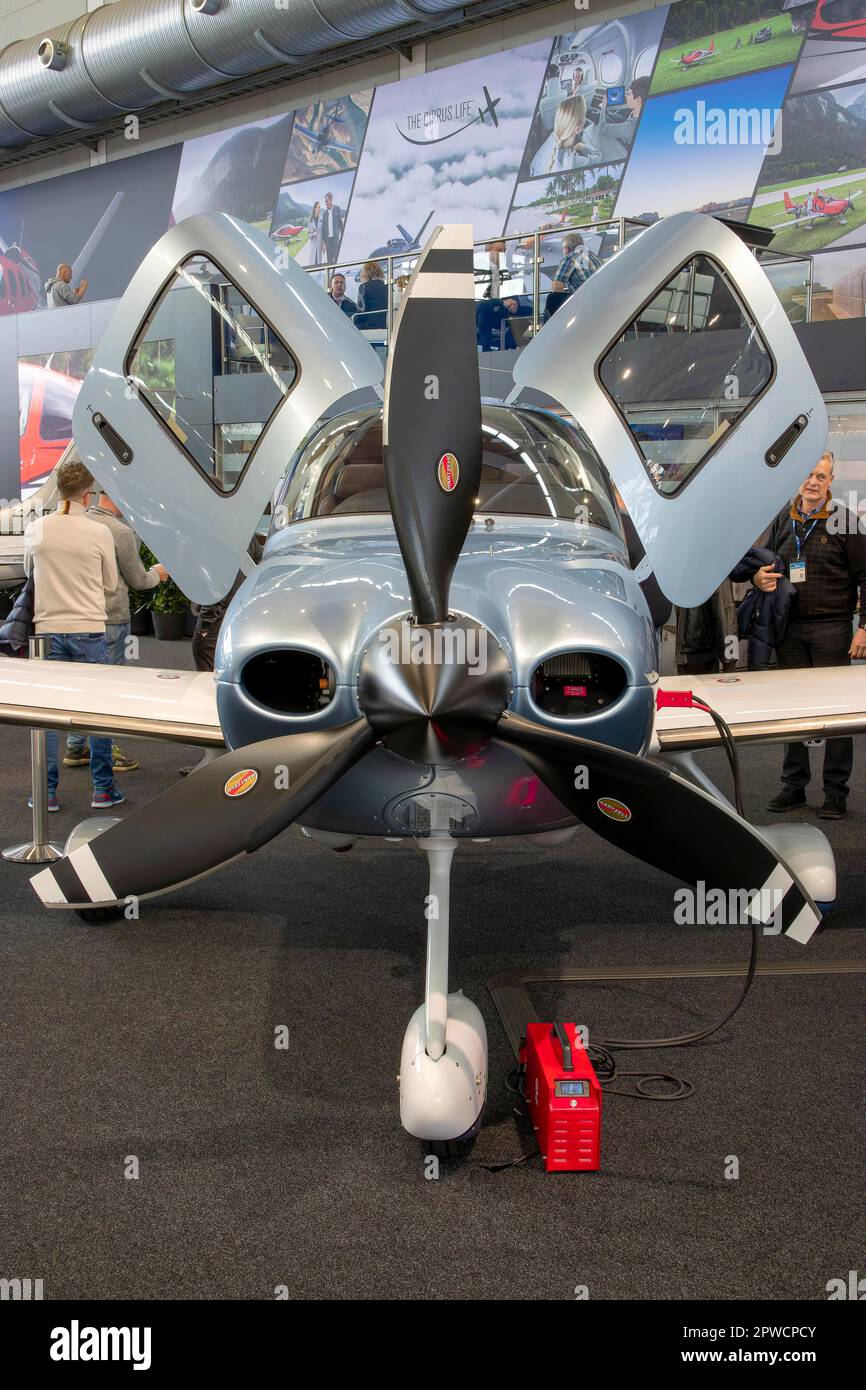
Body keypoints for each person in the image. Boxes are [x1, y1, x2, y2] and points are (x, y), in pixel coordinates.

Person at [751, 452, 866, 819]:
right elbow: (766, 565)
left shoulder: (846, 522)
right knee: (794, 713)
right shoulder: (783, 519)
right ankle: (794, 786)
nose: (813, 481)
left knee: (835, 715)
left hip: (832, 628)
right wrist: (758, 579)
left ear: (830, 482)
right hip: (790, 630)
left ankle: (835, 792)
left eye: (821, 476)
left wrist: (863, 628)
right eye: (808, 474)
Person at [23, 457, 122, 812]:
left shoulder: (37, 528)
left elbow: (28, 573)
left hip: (46, 633)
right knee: (97, 713)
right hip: (89, 630)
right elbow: (110, 584)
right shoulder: (100, 531)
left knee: (47, 718)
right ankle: (102, 790)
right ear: (87, 495)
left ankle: (46, 793)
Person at [63, 489, 168, 774]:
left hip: (78, 616)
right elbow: (138, 580)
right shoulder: (120, 531)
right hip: (111, 617)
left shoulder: (79, 523)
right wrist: (157, 573)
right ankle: (105, 753)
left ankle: (76, 746)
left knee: (83, 684)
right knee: (107, 689)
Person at [530, 96, 594, 176]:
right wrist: (581, 146)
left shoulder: (553, 135)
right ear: (577, 129)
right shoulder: (573, 162)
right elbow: (598, 156)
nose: (585, 118)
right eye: (584, 115)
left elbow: (532, 167)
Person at [543, 232, 596, 320]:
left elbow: (556, 287)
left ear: (567, 249)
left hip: (587, 302)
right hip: (603, 298)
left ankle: (549, 331)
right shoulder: (594, 256)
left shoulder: (570, 257)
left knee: (553, 298)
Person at [354, 260, 388, 329]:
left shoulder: (364, 286)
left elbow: (362, 312)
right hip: (386, 325)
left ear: (365, 273)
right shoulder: (387, 286)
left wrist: (353, 320)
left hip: (370, 326)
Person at [321, 192, 344, 264]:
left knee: (337, 261)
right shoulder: (324, 214)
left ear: (331, 200)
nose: (325, 203)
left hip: (336, 241)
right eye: (325, 201)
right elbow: (323, 230)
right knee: (330, 262)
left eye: (327, 201)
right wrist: (323, 243)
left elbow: (341, 224)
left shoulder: (337, 209)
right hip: (328, 243)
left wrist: (343, 238)